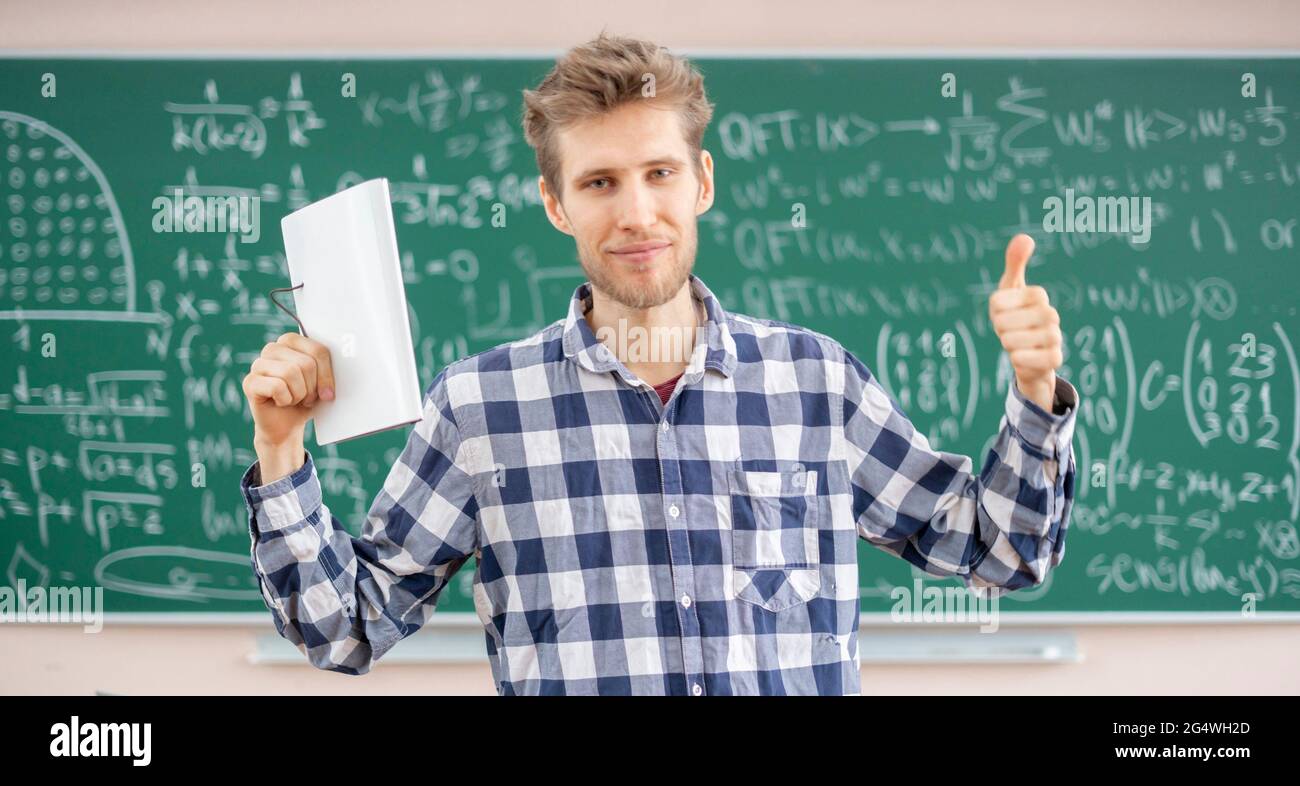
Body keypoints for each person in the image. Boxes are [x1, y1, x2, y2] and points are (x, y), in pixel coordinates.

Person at [239, 32, 1078, 695]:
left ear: (701, 182)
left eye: (659, 173)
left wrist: (1035, 395)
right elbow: (344, 627)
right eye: (601, 182)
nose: (638, 213)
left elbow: (1001, 551)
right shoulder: (478, 409)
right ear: (556, 202)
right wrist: (280, 451)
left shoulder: (815, 384)